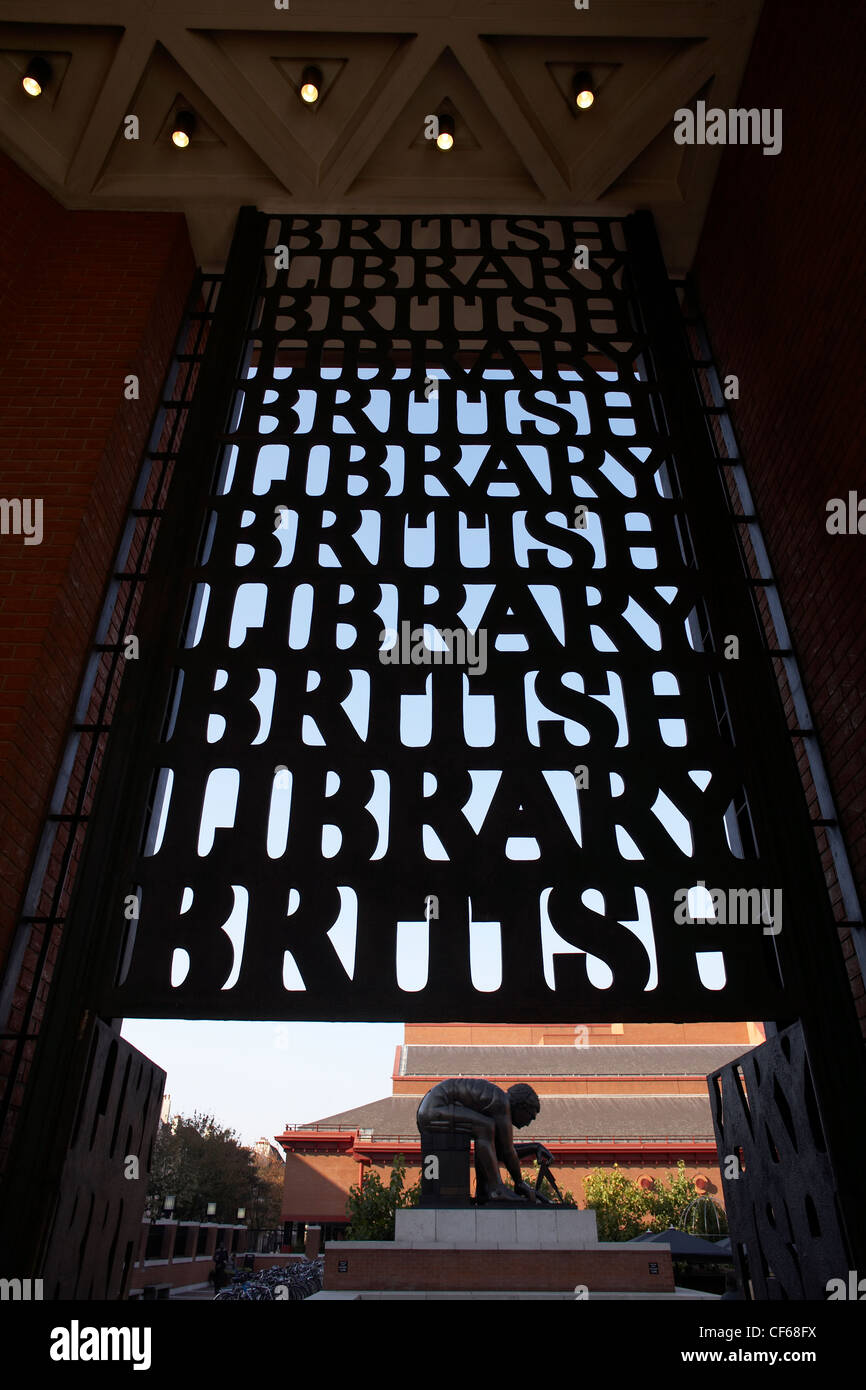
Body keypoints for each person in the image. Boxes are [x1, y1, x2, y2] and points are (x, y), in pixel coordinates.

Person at [416, 1077, 552, 1202]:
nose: (528, 1123)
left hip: (432, 1110)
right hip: (433, 1111)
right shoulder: (501, 1103)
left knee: (485, 1132)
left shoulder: (497, 1100)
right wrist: (520, 1183)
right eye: (531, 1116)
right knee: (484, 1127)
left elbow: (495, 1152)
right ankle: (496, 1190)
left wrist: (534, 1148)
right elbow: (507, 1152)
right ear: (522, 1106)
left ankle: (484, 1191)